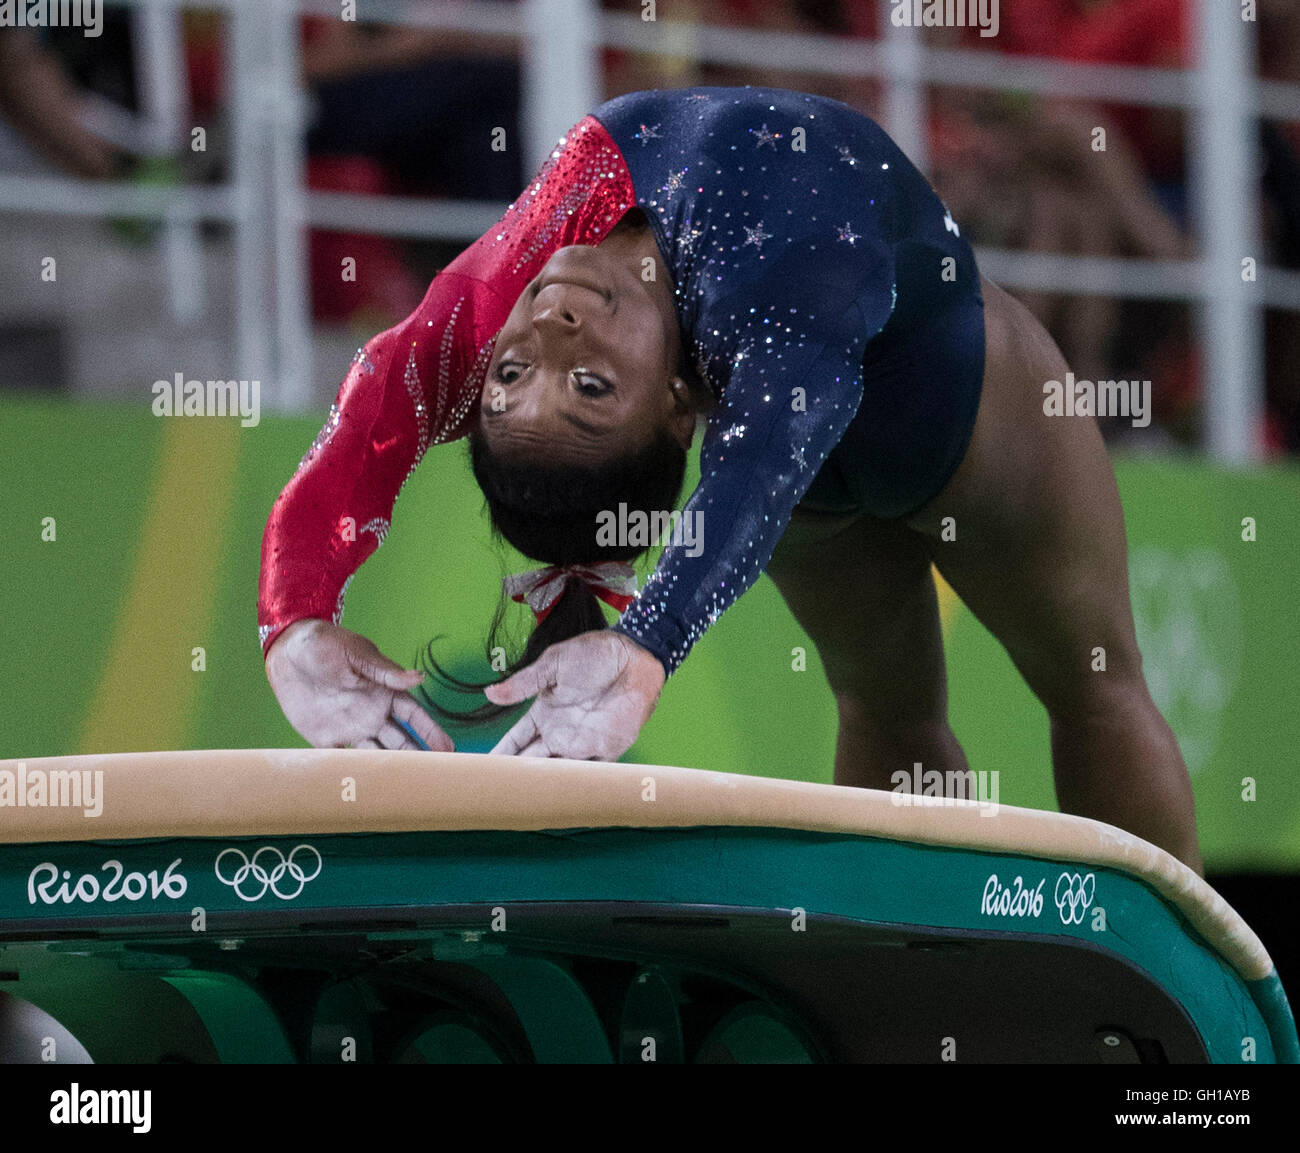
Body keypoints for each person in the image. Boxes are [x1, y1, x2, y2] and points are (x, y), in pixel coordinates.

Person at [260, 86, 1202, 873]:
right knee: (1047, 687)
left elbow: (383, 391)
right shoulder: (770, 278)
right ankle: (921, 991)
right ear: (677, 407)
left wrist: (293, 616)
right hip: (959, 421)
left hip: (855, 436)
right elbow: (764, 453)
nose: (549, 335)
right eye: (589, 388)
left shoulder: (534, 269)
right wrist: (646, 645)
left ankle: (1181, 1028)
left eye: (509, 377)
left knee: (1077, 685)